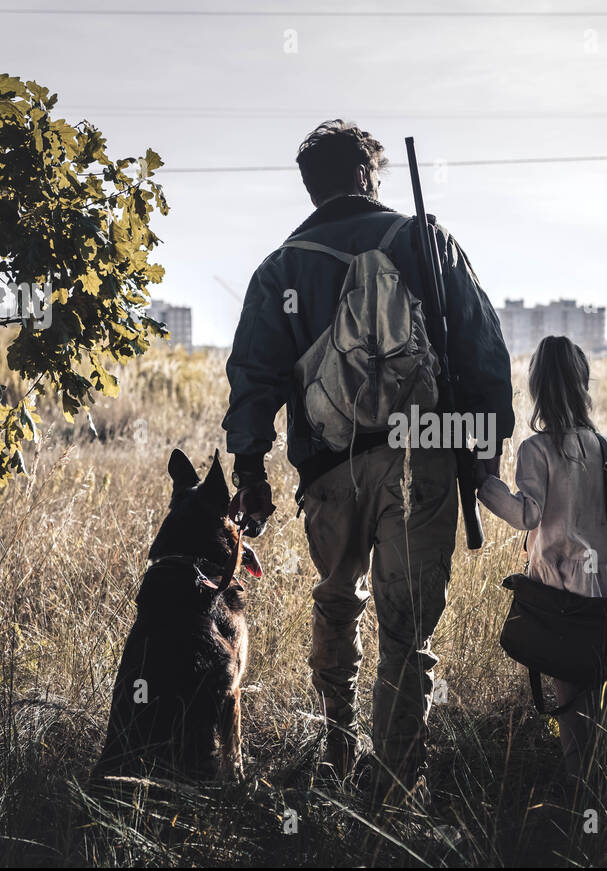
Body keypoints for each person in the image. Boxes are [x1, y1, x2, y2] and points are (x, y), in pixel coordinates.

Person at [223, 120, 514, 804]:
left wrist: (251, 472)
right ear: (365, 174)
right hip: (423, 461)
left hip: (328, 471)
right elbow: (483, 353)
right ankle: (386, 793)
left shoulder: (280, 268)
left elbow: (252, 378)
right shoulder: (424, 240)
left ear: (313, 185)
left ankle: (336, 748)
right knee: (406, 630)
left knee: (338, 600)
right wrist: (483, 457)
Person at [477, 335, 607, 796]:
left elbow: (527, 515)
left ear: (537, 389)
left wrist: (486, 486)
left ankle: (581, 793)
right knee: (606, 693)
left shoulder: (535, 450)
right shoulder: (606, 448)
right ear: (582, 384)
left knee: (570, 701)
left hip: (560, 596)